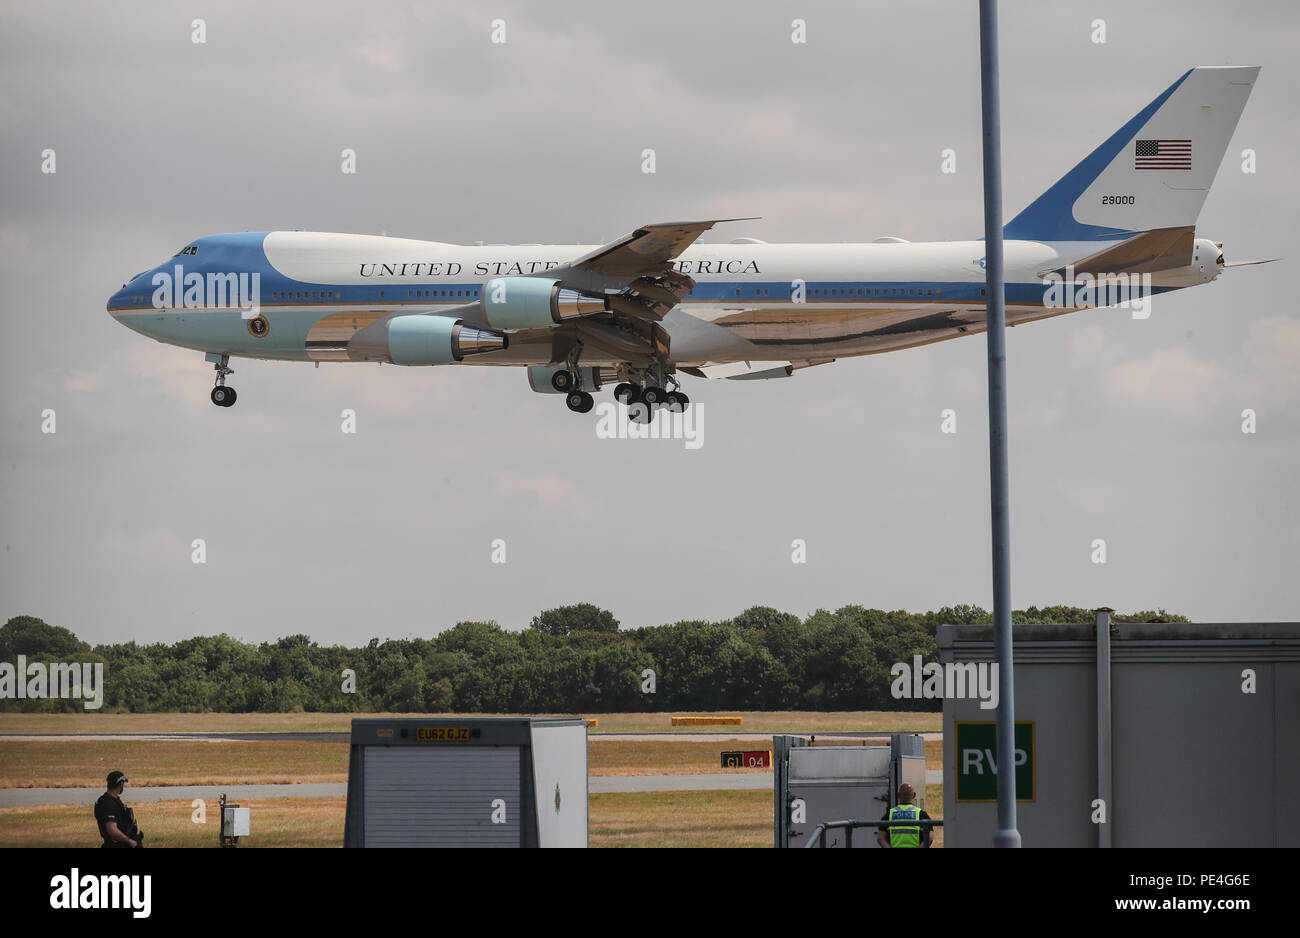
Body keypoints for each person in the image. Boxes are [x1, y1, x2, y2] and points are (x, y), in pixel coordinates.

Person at [94, 770, 142, 848]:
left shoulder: (107, 800)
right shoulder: (109, 804)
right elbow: (112, 830)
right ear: (121, 784)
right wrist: (130, 841)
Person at [876, 782, 932, 848]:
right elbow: (930, 838)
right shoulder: (921, 814)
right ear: (914, 795)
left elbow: (880, 838)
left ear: (898, 795)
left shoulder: (889, 814)